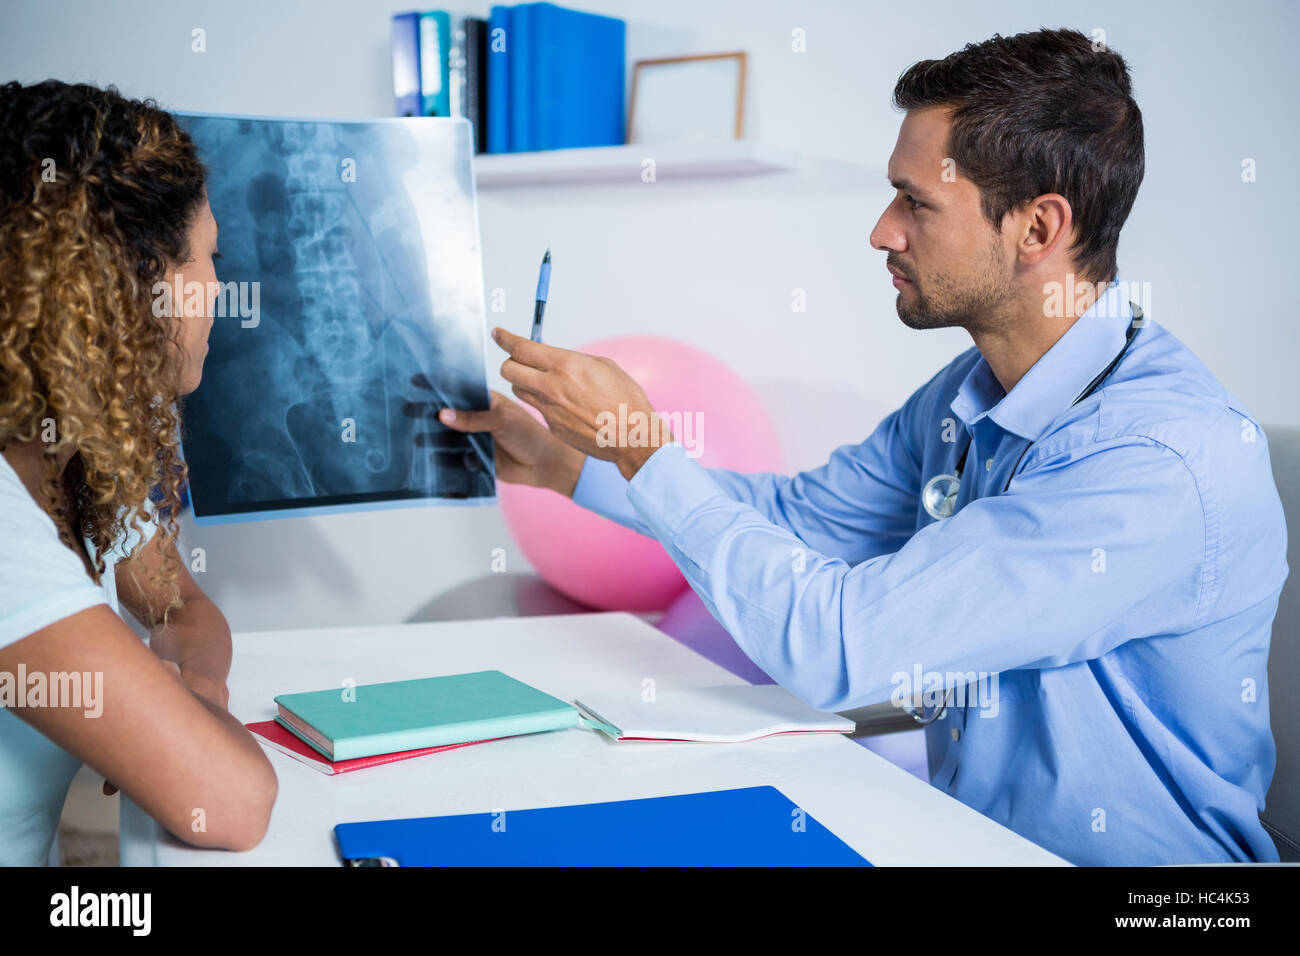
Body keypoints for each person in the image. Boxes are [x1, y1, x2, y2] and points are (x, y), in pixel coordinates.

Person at [438, 28, 1287, 865]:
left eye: (915, 202)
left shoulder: (1157, 462)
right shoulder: (969, 392)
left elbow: (847, 646)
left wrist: (649, 453)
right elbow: (797, 518)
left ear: (1038, 229)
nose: (883, 231)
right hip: (960, 842)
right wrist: (570, 464)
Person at [0, 80, 276, 865]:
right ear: (136, 283)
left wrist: (192, 687)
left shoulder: (64, 461)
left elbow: (179, 604)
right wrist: (181, 731)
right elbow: (230, 802)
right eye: (209, 258)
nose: (221, 290)